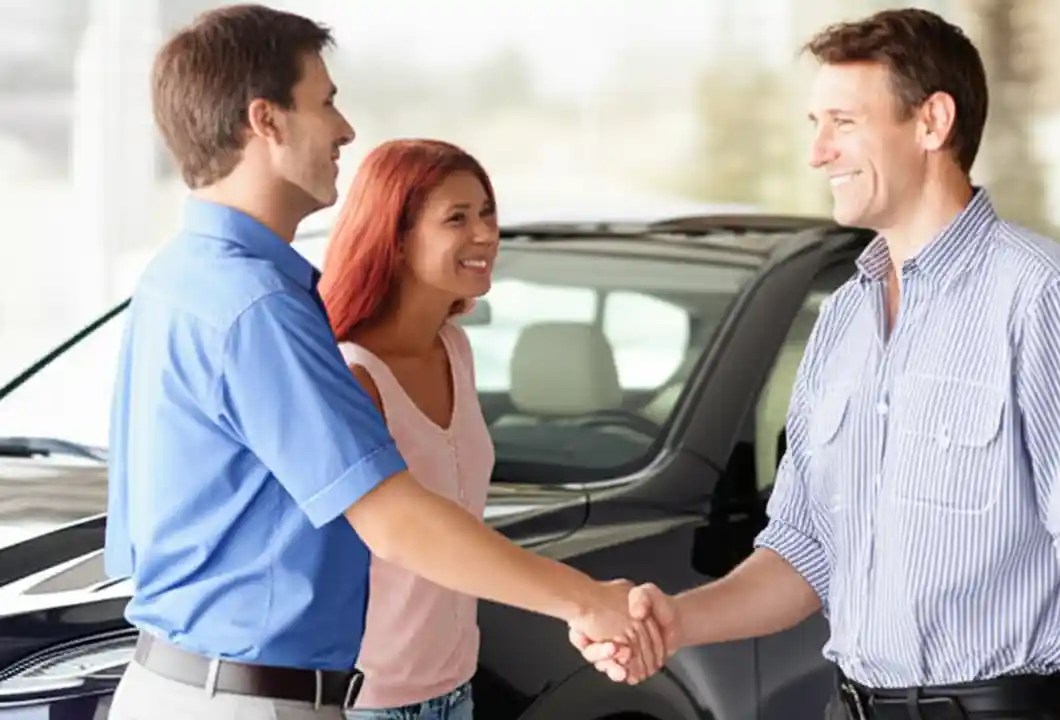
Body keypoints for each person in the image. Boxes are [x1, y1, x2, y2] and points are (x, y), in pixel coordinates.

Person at [574, 8, 1060, 720]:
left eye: (843, 122)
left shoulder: (1049, 297)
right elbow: (804, 552)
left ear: (932, 122)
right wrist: (679, 620)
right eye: (814, 124)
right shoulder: (842, 320)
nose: (818, 152)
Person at [104, 7, 659, 720]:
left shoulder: (180, 276)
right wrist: (586, 600)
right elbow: (393, 519)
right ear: (266, 121)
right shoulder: (256, 305)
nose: (345, 129)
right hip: (245, 698)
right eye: (326, 101)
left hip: (190, 683)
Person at [315, 139, 496, 720]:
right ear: (395, 237)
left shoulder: (455, 348)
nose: (487, 234)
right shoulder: (353, 374)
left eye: (488, 213)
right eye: (458, 219)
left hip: (454, 685)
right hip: (370, 700)